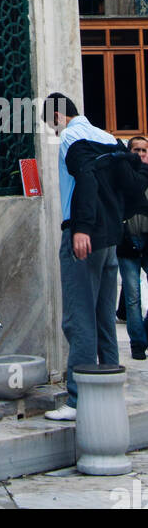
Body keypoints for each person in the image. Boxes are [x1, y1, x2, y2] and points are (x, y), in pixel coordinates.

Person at [43, 93, 143, 422]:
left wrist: (82, 227)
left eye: (50, 123)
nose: (53, 131)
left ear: (58, 114)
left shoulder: (73, 136)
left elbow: (85, 178)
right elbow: (129, 185)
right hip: (109, 239)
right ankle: (110, 389)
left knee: (79, 317)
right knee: (103, 319)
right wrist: (115, 221)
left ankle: (78, 399)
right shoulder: (107, 137)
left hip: (83, 237)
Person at [117, 136, 148, 361]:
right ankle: (138, 344)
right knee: (133, 298)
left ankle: (143, 334)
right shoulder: (122, 177)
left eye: (144, 150)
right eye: (136, 150)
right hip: (127, 242)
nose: (140, 154)